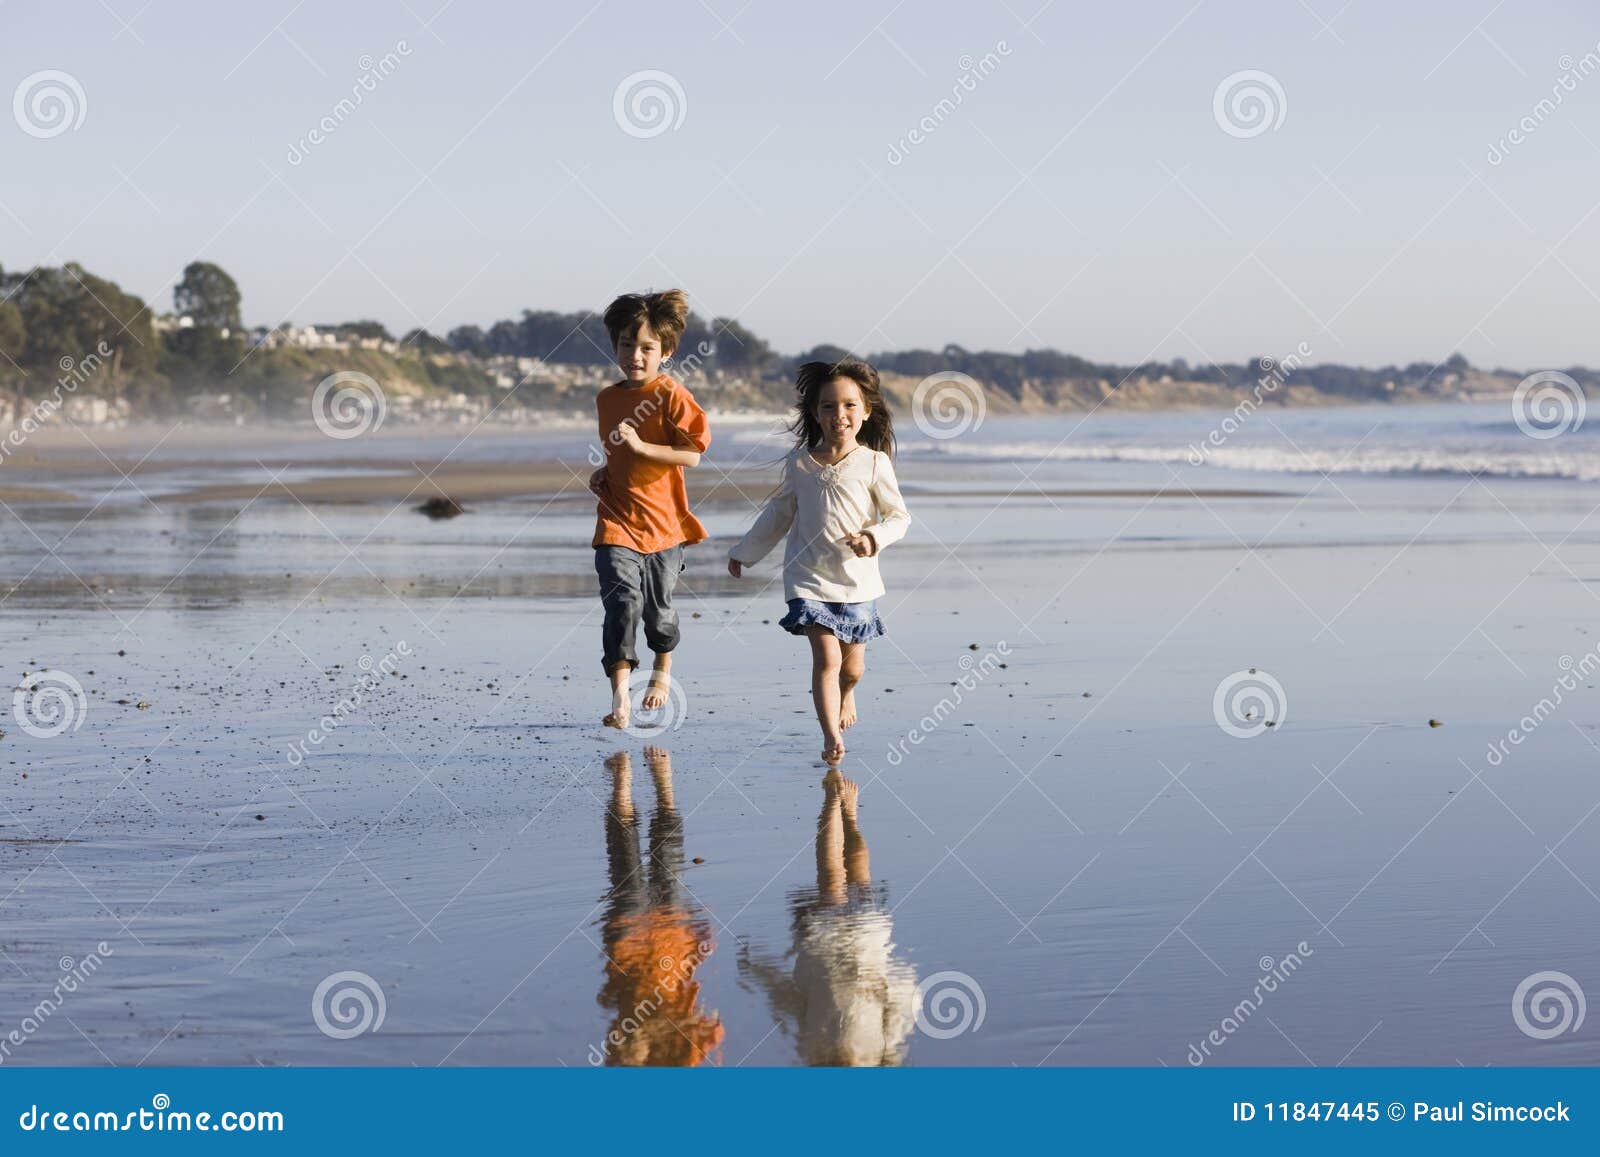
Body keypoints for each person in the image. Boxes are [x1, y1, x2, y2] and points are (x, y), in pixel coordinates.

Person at [727, 358, 910, 761]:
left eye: (849, 405)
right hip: (807, 577)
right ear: (815, 413)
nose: (839, 415)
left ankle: (849, 695)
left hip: (856, 581)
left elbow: (899, 518)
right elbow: (779, 514)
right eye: (828, 406)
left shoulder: (874, 462)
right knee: (826, 657)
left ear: (866, 411)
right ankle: (830, 737)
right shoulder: (800, 463)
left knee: (852, 669)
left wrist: (873, 537)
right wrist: (745, 552)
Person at [588, 289, 711, 730]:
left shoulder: (672, 394)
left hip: (663, 525)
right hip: (617, 519)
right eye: (626, 344)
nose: (635, 355)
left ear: (667, 351)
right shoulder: (607, 399)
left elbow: (692, 455)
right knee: (622, 602)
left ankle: (661, 670)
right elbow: (618, 456)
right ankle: (620, 697)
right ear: (614, 345)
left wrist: (641, 446)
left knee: (658, 612)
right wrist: (603, 473)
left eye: (646, 348)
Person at [737, 771, 918, 1066]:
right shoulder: (882, 1054)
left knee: (832, 878)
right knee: (858, 877)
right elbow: (901, 1005)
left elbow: (790, 1001)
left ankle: (832, 801)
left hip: (826, 947)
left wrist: (760, 970)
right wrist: (897, 974)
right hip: (866, 947)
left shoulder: (813, 1052)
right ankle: (849, 816)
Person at [593, 747, 724, 1066]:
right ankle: (663, 784)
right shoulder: (683, 1058)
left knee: (627, 866)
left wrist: (632, 1048)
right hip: (674, 945)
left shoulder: (629, 1046)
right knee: (669, 860)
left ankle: (622, 785)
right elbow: (715, 1031)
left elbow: (615, 1050)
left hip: (631, 947)